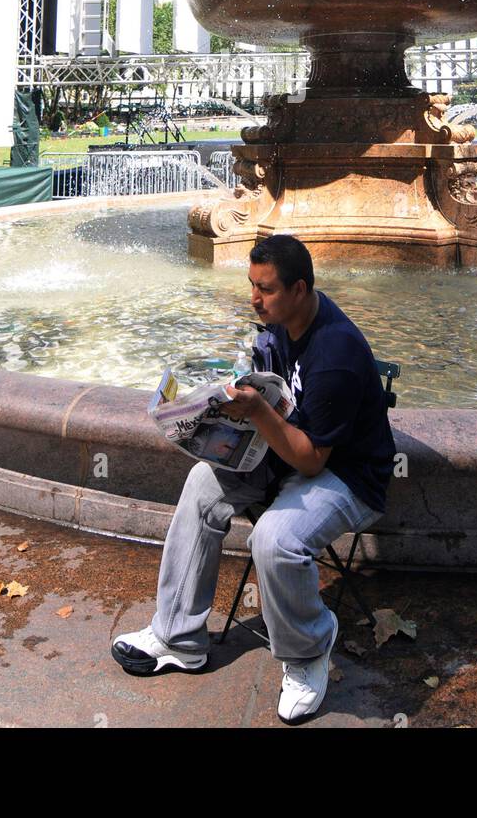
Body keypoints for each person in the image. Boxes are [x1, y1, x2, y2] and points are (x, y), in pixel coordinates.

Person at [111, 233, 397, 724]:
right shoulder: (282, 324)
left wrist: (259, 411)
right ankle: (178, 638)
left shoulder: (337, 353)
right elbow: (282, 404)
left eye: (265, 289)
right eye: (252, 286)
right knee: (203, 484)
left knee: (274, 539)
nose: (254, 299)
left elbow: (311, 461)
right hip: (288, 452)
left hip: (349, 476)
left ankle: (309, 651)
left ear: (300, 289)